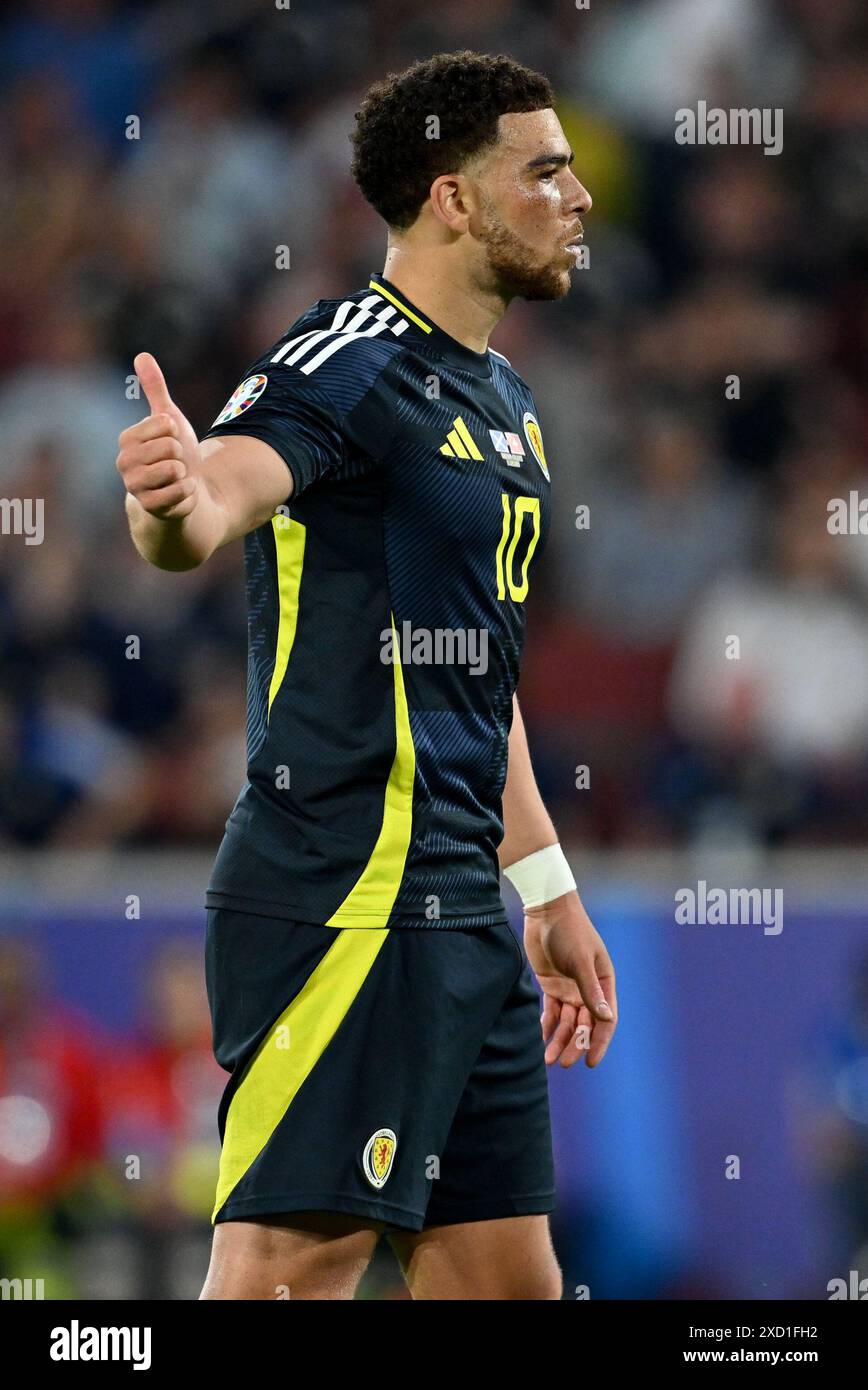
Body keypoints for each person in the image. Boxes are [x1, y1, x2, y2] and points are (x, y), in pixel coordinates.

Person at [116, 51, 617, 1301]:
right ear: (454, 198)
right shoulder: (346, 359)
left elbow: (479, 676)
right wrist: (172, 501)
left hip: (461, 907)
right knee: (288, 1275)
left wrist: (543, 884)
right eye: (544, 171)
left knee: (510, 1283)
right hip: (343, 891)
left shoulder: (505, 401)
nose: (579, 196)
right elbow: (217, 497)